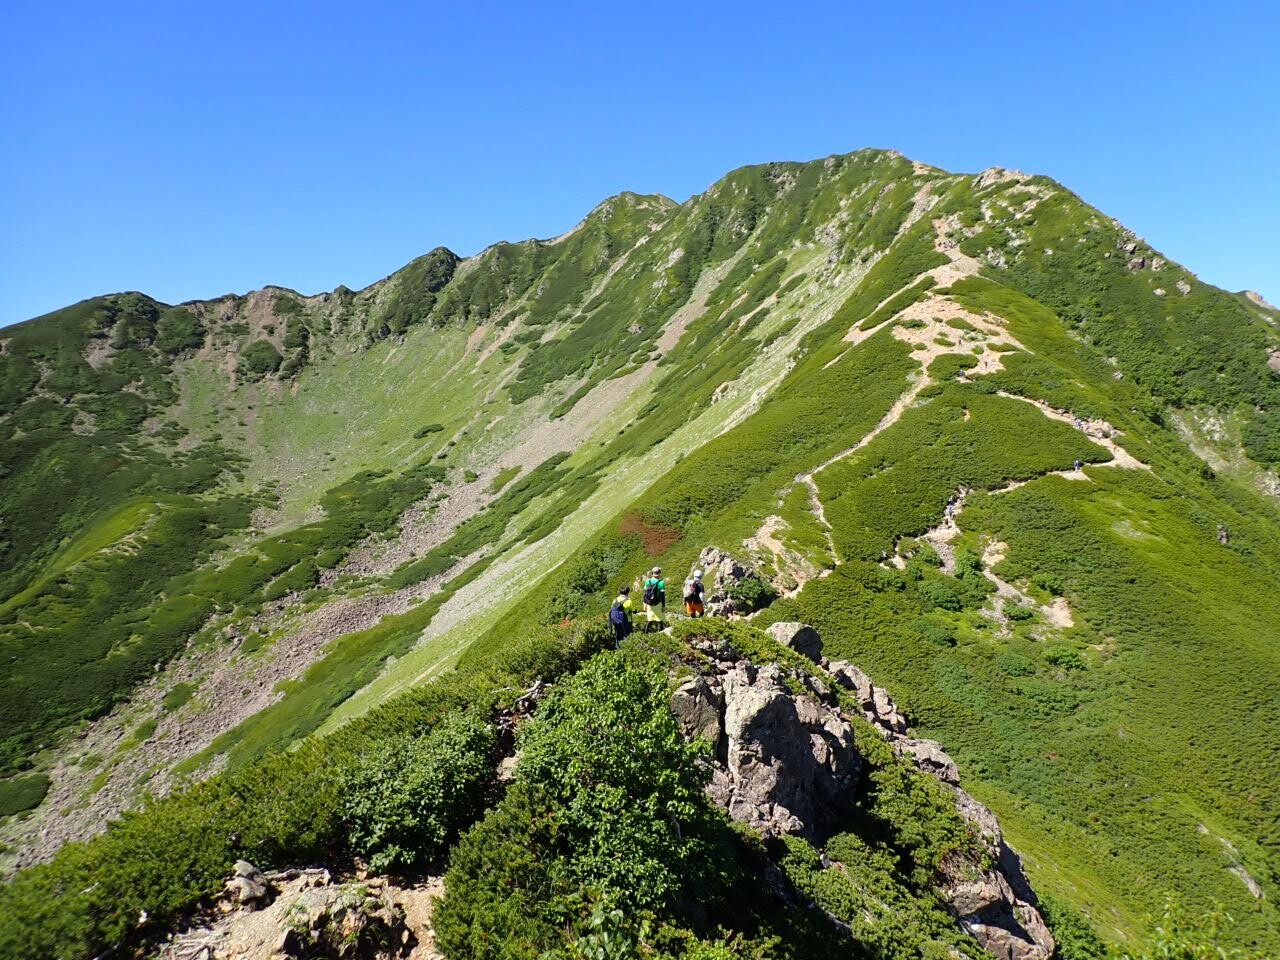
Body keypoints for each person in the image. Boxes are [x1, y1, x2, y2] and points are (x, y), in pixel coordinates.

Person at [642, 566, 666, 633]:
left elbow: (645, 593)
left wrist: (644, 603)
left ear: (652, 573)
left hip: (649, 604)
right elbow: (662, 595)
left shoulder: (647, 581)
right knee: (659, 620)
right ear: (659, 573)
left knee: (649, 620)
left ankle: (645, 634)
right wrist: (663, 606)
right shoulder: (661, 583)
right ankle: (659, 634)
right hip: (658, 603)